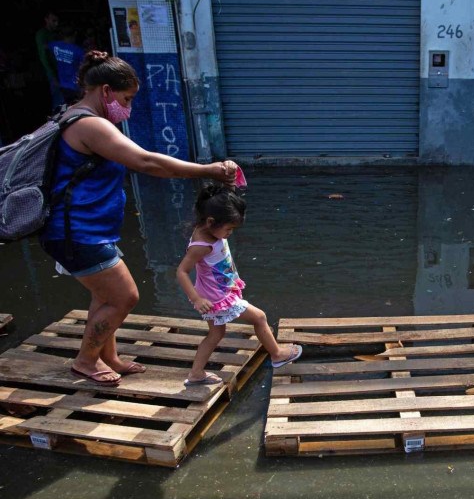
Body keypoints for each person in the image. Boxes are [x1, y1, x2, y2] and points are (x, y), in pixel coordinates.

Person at [39, 50, 239, 386]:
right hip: (77, 234)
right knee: (125, 297)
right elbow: (147, 162)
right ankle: (85, 361)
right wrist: (208, 170)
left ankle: (109, 357)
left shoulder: (74, 116)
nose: (127, 108)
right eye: (126, 98)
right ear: (105, 91)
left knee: (105, 296)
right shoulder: (90, 124)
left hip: (87, 231)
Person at [176, 185, 302, 385]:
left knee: (216, 333)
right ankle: (277, 354)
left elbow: (217, 199)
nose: (230, 233)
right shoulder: (202, 246)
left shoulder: (209, 228)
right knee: (259, 317)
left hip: (218, 292)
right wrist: (196, 299)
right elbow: (181, 272)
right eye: (228, 229)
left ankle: (196, 373)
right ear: (210, 222)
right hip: (217, 298)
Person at [48, 25, 85, 104]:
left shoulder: (54, 45)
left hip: (59, 84)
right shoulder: (79, 51)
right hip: (74, 86)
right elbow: (83, 68)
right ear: (75, 34)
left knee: (60, 110)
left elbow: (44, 47)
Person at [35, 10, 62, 110]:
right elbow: (43, 56)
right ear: (46, 20)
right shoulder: (42, 34)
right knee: (58, 100)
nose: (56, 23)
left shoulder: (56, 34)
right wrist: (52, 75)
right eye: (53, 20)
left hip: (61, 71)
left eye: (57, 21)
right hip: (52, 72)